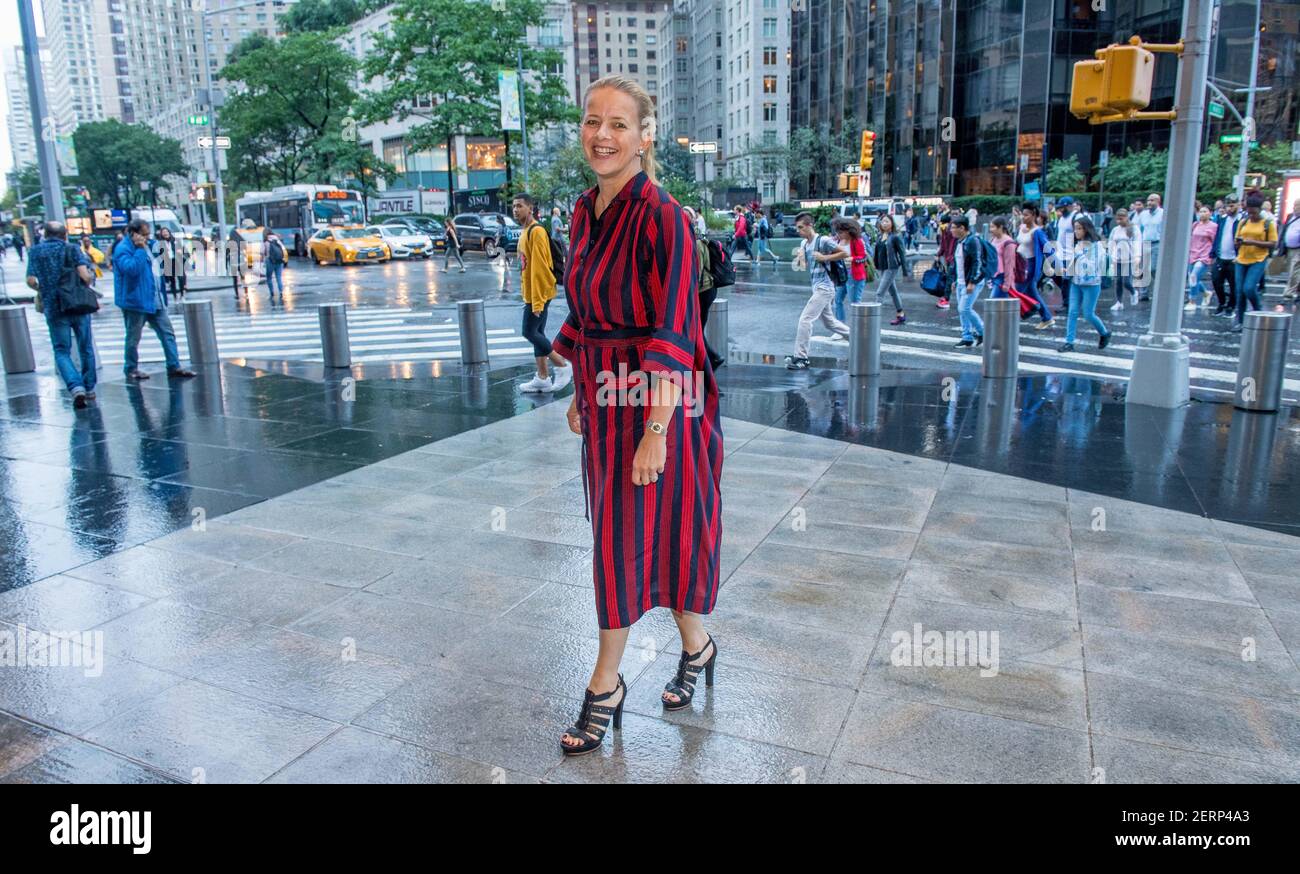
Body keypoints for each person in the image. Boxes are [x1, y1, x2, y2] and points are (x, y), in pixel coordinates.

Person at [549, 75, 724, 756]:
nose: (602, 135)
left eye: (619, 124)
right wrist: (578, 389)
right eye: (593, 121)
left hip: (662, 410)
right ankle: (699, 646)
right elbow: (586, 313)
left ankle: (604, 685)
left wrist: (654, 433)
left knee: (626, 546)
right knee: (650, 542)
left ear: (645, 136)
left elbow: (675, 329)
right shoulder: (581, 210)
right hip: (606, 399)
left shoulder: (666, 219)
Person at [24, 221, 98, 408]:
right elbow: (84, 275)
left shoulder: (35, 251)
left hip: (54, 307)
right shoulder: (72, 249)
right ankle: (89, 388)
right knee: (85, 347)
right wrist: (89, 278)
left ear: (45, 234)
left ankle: (75, 387)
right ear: (64, 235)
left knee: (61, 350)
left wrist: (44, 288)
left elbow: (31, 280)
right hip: (77, 304)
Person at [113, 219, 196, 381]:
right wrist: (139, 250)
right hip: (136, 301)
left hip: (155, 298)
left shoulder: (149, 245)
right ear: (133, 233)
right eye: (144, 234)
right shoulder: (123, 249)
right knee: (133, 337)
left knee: (167, 333)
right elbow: (131, 270)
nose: (147, 237)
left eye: (148, 234)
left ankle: (174, 365)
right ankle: (131, 368)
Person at [513, 192, 572, 393]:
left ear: (530, 208)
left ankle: (562, 365)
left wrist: (537, 302)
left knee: (528, 332)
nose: (516, 210)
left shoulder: (536, 231)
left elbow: (539, 269)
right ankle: (542, 377)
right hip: (532, 294)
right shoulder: (526, 231)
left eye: (520, 206)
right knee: (537, 333)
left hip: (538, 294)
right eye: (514, 206)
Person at [787, 212, 852, 369]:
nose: (799, 230)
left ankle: (801, 357)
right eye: (797, 228)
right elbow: (802, 267)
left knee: (805, 319)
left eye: (801, 227)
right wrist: (799, 259)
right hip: (816, 286)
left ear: (810, 225)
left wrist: (824, 258)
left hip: (825, 287)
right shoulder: (804, 244)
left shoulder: (822, 240)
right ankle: (859, 340)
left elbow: (844, 253)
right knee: (830, 323)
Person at [1059, 215, 1111, 353]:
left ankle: (1104, 333)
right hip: (1076, 282)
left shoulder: (1097, 246)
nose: (1076, 231)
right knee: (1072, 312)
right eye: (1075, 228)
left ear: (1086, 229)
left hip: (1092, 284)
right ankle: (1069, 342)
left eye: (1079, 228)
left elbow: (1095, 266)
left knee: (1088, 314)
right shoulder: (1078, 245)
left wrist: (1079, 260)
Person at [685, 206, 726, 370]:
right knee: (696, 328)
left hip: (704, 291)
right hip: (706, 289)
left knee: (696, 329)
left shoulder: (695, 241)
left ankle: (713, 358)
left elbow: (696, 272)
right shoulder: (694, 238)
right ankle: (706, 360)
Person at [1230, 190, 1278, 331]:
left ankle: (1258, 310)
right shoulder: (1243, 222)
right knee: (1239, 291)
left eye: (1254, 213)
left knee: (1249, 288)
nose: (1251, 215)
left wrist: (1253, 242)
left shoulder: (1268, 223)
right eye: (1249, 212)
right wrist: (1238, 243)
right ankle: (1241, 320)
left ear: (1259, 210)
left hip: (1258, 258)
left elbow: (1273, 243)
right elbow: (1237, 239)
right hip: (1242, 259)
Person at [948, 214, 987, 348]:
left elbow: (977, 262)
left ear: (962, 228)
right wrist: (955, 280)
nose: (951, 230)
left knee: (964, 308)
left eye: (953, 228)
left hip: (972, 282)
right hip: (961, 281)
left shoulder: (972, 241)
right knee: (962, 310)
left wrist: (972, 282)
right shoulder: (960, 242)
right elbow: (957, 262)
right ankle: (967, 337)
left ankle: (983, 332)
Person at [1017, 205, 1055, 327]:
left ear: (1034, 215)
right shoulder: (1021, 227)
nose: (1024, 217)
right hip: (1020, 264)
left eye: (1027, 215)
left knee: (1015, 292)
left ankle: (1007, 319)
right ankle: (1047, 317)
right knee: (1032, 293)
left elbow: (1048, 249)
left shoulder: (1037, 231)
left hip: (1030, 265)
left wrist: (1057, 265)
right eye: (1023, 214)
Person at [832, 217, 868, 325]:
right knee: (837, 300)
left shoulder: (857, 241)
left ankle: (857, 327)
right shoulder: (837, 240)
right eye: (838, 231)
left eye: (841, 232)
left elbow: (864, 257)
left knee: (855, 302)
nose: (839, 234)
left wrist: (853, 259)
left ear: (849, 230)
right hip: (841, 274)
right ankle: (840, 326)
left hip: (854, 274)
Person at [873, 214, 907, 325]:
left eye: (887, 221)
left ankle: (874, 318)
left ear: (891, 223)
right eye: (883, 222)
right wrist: (874, 265)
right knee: (893, 292)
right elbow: (877, 252)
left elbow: (902, 253)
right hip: (883, 267)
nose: (885, 223)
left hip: (892, 267)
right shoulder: (880, 236)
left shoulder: (895, 236)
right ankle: (900, 313)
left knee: (879, 293)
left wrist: (905, 270)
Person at [1210, 195, 1241, 316]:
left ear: (1238, 205)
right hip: (1220, 256)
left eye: (1232, 205)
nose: (1229, 208)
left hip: (1234, 258)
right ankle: (1222, 303)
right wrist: (1213, 253)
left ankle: (1231, 306)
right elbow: (1217, 237)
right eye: (1227, 205)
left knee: (1234, 284)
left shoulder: (1241, 221)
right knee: (1216, 281)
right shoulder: (1222, 220)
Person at [1106, 207, 1142, 311]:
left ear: (1126, 218)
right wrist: (1110, 256)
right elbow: (1111, 243)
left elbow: (1137, 243)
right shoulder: (1115, 230)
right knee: (1118, 281)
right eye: (1117, 219)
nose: (1119, 221)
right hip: (1117, 259)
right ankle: (1119, 302)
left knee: (1126, 281)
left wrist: (1137, 256)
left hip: (1129, 259)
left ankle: (1134, 292)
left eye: (1121, 219)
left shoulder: (1134, 229)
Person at [1186, 205, 1217, 310]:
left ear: (1210, 213)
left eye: (1205, 211)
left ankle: (1192, 301)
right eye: (1200, 211)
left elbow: (1215, 242)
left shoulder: (1213, 226)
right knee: (1192, 278)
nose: (1202, 214)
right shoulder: (1195, 225)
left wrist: (1214, 255)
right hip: (1193, 254)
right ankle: (1206, 292)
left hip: (1204, 255)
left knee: (1194, 276)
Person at [1136, 193, 1164, 301]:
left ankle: (1160, 290)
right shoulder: (1143, 214)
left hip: (1157, 242)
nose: (1149, 203)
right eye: (1148, 200)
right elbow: (1139, 229)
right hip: (1145, 242)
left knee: (1154, 269)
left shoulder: (1162, 213)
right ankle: (1143, 293)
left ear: (1158, 202)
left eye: (1152, 200)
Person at [153, 226, 187, 303]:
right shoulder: (160, 243)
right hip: (168, 263)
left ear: (169, 232)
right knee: (172, 281)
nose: (165, 233)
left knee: (181, 279)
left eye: (166, 232)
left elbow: (182, 249)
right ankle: (175, 297)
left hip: (177, 261)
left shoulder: (175, 240)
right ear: (161, 234)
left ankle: (182, 295)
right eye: (163, 232)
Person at [1279, 197, 1300, 304]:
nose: (1295, 208)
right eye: (1295, 205)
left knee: (1294, 270)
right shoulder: (1290, 216)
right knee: (1291, 269)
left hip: (1298, 249)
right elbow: (1284, 230)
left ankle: (1288, 292)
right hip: (1289, 248)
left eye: (1298, 206)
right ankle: (1296, 290)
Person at [934, 212, 955, 309]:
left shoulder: (953, 231)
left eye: (944, 224)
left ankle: (946, 299)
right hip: (948, 258)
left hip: (953, 258)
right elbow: (943, 244)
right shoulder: (944, 230)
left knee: (950, 278)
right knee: (950, 278)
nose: (943, 226)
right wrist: (938, 254)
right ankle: (946, 298)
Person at [263, 229, 287, 299]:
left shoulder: (265, 241)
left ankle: (272, 292)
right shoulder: (277, 240)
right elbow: (282, 249)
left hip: (270, 261)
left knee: (269, 277)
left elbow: (262, 252)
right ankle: (281, 292)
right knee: (279, 277)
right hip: (279, 261)